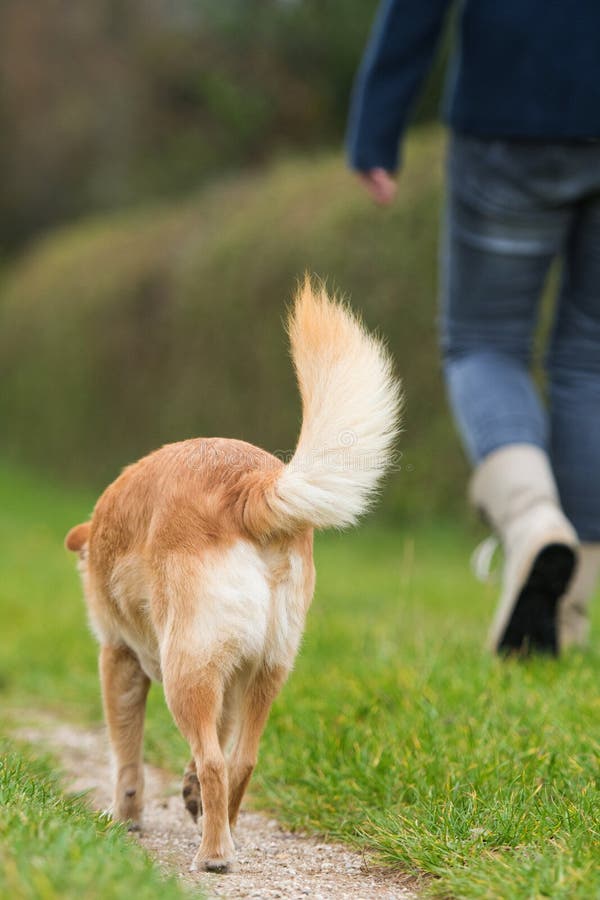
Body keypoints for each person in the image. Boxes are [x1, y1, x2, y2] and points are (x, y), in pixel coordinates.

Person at [346, 0, 600, 656]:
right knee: (590, 358)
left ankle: (531, 521)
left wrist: (378, 122)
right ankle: (566, 611)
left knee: (484, 343)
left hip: (508, 111)